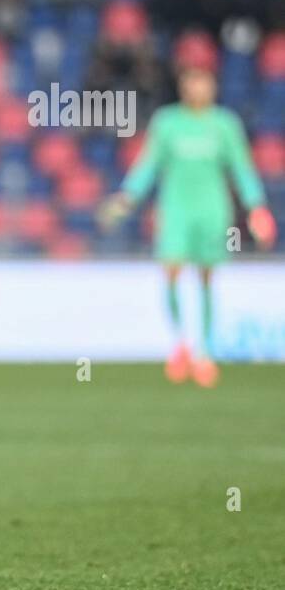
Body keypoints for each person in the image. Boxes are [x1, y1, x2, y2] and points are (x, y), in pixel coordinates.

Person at [98, 67, 276, 386]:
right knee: (171, 271)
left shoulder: (225, 124)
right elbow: (149, 164)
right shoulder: (167, 123)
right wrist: (127, 197)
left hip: (212, 211)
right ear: (182, 87)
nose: (197, 88)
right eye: (191, 82)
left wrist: (256, 207)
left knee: (207, 277)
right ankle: (180, 342)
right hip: (175, 211)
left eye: (203, 82)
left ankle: (204, 353)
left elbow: (241, 167)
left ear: (212, 86)